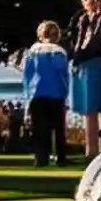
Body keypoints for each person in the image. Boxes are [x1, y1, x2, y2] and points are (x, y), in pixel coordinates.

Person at [69, 0, 101, 158]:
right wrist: (76, 58)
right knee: (90, 110)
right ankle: (92, 149)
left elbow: (100, 38)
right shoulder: (83, 19)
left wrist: (100, 12)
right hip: (86, 65)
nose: (91, 2)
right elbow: (80, 41)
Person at [22, 21, 71, 167]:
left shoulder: (33, 52)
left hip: (37, 93)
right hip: (56, 93)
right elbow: (63, 73)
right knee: (58, 128)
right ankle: (61, 157)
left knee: (40, 128)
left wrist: (27, 94)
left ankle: (41, 158)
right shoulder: (59, 52)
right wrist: (65, 91)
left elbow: (27, 75)